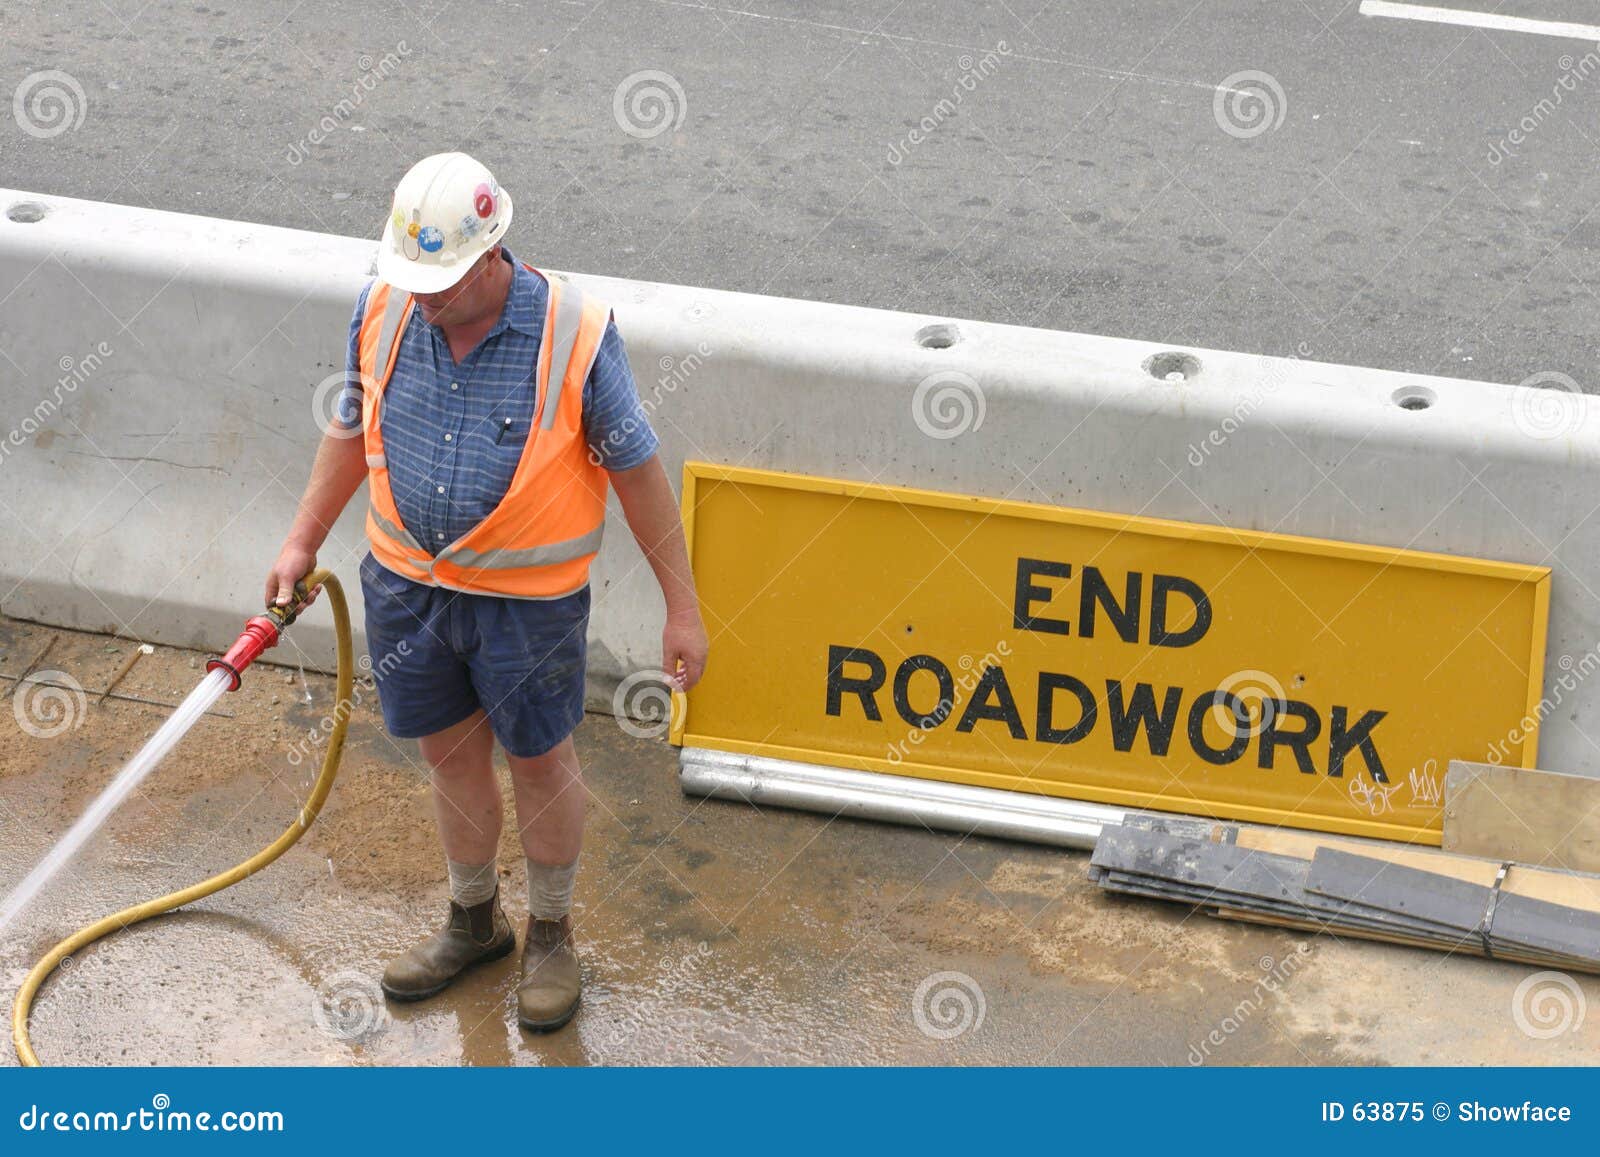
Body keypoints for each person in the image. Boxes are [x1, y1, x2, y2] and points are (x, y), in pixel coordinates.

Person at [265, 152, 708, 1032]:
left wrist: (682, 604)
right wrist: (301, 539)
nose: (423, 294)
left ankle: (550, 932)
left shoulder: (573, 333)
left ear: (492, 250)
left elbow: (638, 472)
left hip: (526, 605)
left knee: (541, 764)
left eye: (442, 279)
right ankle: (474, 921)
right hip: (408, 588)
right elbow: (351, 426)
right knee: (448, 755)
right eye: (414, 275)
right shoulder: (385, 307)